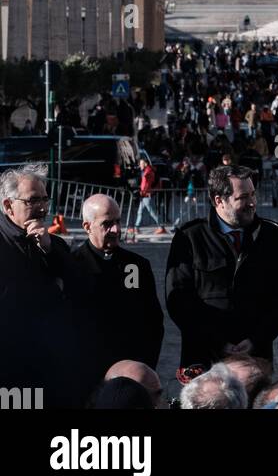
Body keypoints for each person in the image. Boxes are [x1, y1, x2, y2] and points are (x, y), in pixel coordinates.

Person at [165, 164, 278, 372]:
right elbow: (179, 302)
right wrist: (219, 343)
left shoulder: (269, 236)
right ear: (219, 201)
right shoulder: (190, 238)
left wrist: (255, 340)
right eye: (243, 197)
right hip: (204, 359)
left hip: (255, 357)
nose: (252, 203)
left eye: (253, 194)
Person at [0, 162, 90, 407]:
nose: (41, 207)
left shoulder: (54, 245)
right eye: (32, 201)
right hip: (10, 369)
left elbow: (80, 290)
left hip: (53, 364)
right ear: (9, 205)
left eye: (44, 199)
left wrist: (50, 250)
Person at [71, 193, 164, 385]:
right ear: (87, 226)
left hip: (130, 375)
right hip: (86, 376)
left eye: (118, 221)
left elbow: (153, 323)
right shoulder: (71, 266)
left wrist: (142, 368)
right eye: (107, 223)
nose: (116, 229)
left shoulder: (136, 266)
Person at [130, 155, 166, 238]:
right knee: (140, 212)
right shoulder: (147, 171)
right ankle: (136, 227)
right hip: (145, 194)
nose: (140, 165)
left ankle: (161, 227)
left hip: (146, 194)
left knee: (152, 212)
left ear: (145, 163)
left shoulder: (148, 172)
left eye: (141, 163)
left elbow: (146, 184)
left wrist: (143, 192)